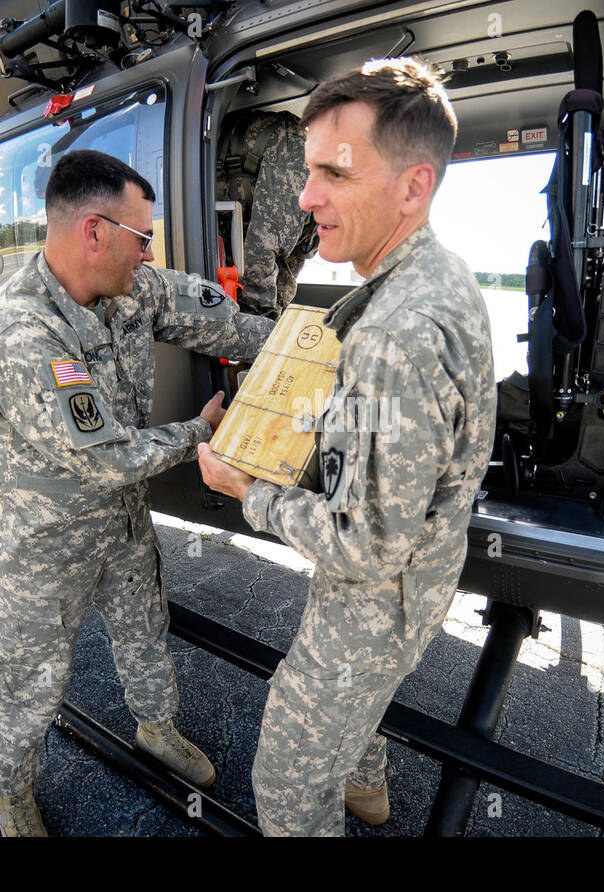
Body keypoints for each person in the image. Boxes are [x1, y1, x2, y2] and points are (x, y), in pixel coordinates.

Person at [198, 58, 496, 836]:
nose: (305, 197)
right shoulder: (439, 275)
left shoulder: (396, 332)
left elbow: (363, 545)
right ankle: (367, 790)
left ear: (412, 186)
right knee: (357, 716)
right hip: (419, 577)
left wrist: (246, 488)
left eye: (335, 171)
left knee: (289, 786)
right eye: (307, 170)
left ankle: (344, 794)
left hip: (374, 600)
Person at [0, 149, 272, 836]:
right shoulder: (18, 331)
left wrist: (299, 346)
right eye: (142, 237)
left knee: (145, 632)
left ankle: (155, 729)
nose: (149, 252)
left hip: (124, 519)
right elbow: (107, 458)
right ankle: (11, 791)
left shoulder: (130, 287)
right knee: (31, 680)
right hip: (46, 540)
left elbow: (219, 321)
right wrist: (201, 433)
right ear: (93, 232)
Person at [216, 110, 319, 317]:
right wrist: (260, 321)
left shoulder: (318, 197)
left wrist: (279, 308)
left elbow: (291, 260)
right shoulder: (296, 150)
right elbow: (263, 246)